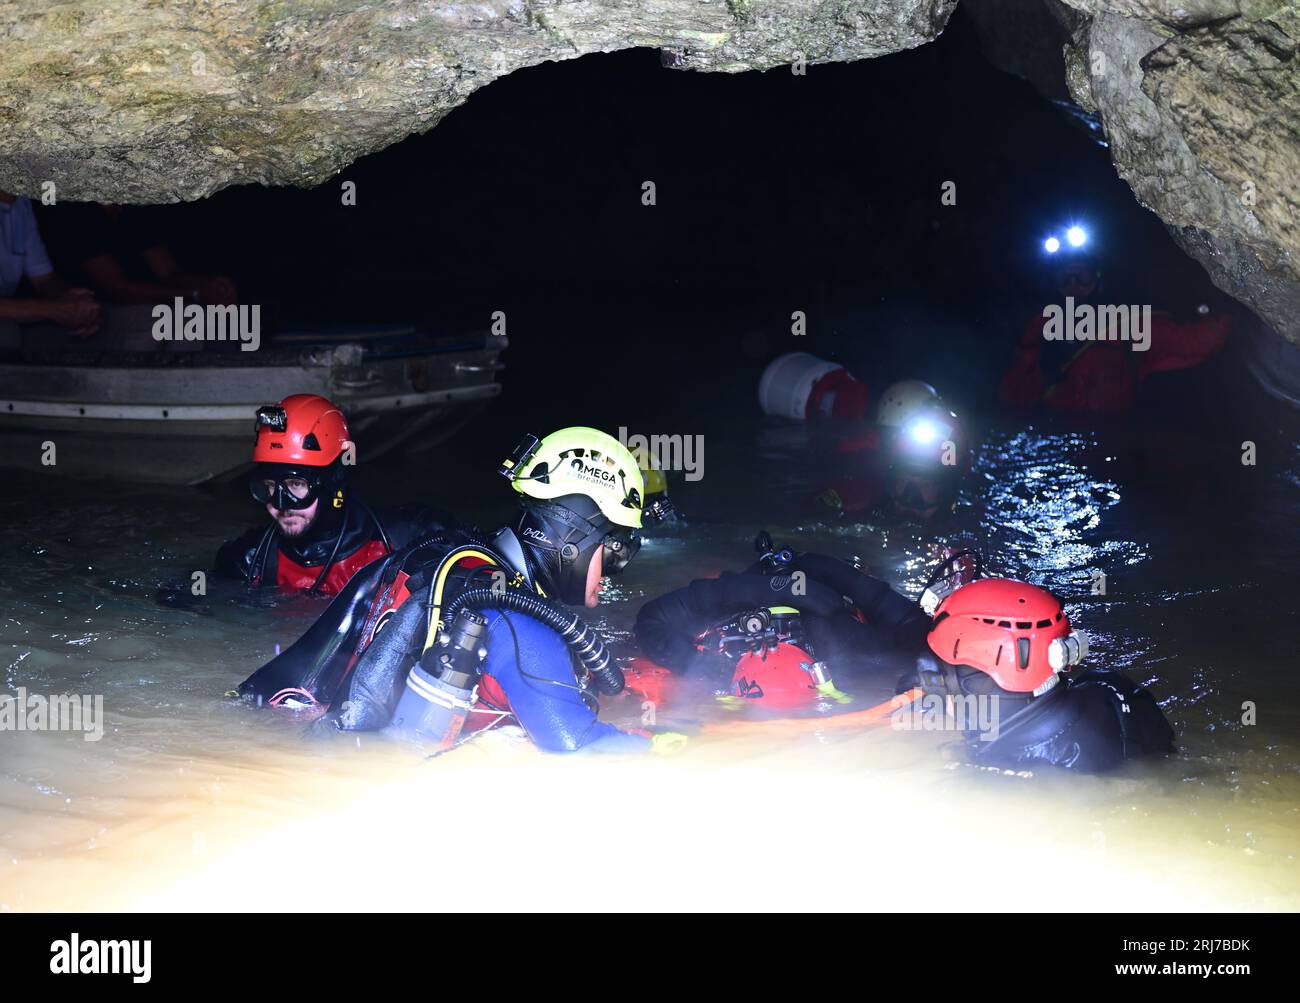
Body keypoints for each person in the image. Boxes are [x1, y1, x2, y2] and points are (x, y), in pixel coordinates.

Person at [238, 426, 678, 754]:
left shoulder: (450, 561)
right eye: (616, 548)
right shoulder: (520, 621)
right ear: (573, 539)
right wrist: (685, 745)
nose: (615, 569)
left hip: (293, 738)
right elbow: (579, 749)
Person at [634, 542, 1173, 772]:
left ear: (972, 659)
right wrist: (794, 574)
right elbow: (881, 604)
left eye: (939, 661)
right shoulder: (1115, 692)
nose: (929, 668)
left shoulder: (993, 761)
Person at [214, 394, 448, 595]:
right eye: (270, 487)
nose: (281, 504)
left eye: (296, 485)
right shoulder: (251, 560)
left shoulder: (413, 537)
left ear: (333, 481)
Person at [998, 226, 1230, 412]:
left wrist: (1229, 307)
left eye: (1083, 277)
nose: (1074, 286)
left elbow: (1190, 341)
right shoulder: (1041, 326)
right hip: (1060, 434)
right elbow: (1015, 391)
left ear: (1098, 279)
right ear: (1054, 284)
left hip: (1114, 436)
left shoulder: (1125, 323)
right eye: (1065, 278)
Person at [38, 202, 237, 306]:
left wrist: (209, 284)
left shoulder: (132, 210)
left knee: (218, 313)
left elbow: (168, 272)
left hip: (144, 300)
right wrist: (196, 295)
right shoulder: (75, 213)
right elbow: (118, 290)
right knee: (167, 320)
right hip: (92, 309)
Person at [0, 191, 102, 342]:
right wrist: (51, 309)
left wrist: (76, 304)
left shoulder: (21, 204)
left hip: (16, 312)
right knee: (7, 333)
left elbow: (44, 279)